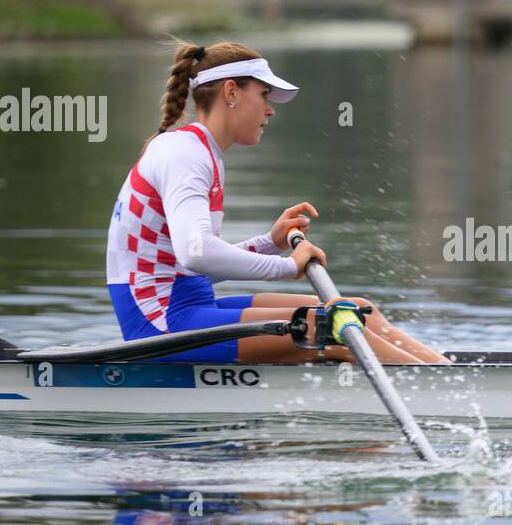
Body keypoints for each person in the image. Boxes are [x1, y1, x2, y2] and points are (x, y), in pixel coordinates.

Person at [106, 40, 448, 365]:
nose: (270, 110)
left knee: (357, 311)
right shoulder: (185, 153)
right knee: (331, 330)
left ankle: (451, 375)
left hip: (186, 304)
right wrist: (287, 267)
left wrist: (268, 244)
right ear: (231, 92)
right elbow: (196, 253)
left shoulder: (199, 151)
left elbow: (187, 267)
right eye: (265, 94)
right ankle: (454, 396)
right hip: (160, 323)